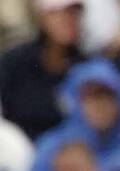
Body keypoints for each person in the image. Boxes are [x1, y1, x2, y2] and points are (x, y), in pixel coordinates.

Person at [25, 57, 120, 171]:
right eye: (90, 98)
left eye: (106, 96)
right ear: (76, 102)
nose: (100, 105)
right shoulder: (52, 146)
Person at [0, 0, 85, 142]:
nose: (68, 20)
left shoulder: (87, 67)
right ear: (42, 18)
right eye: (57, 14)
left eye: (73, 13)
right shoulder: (15, 62)